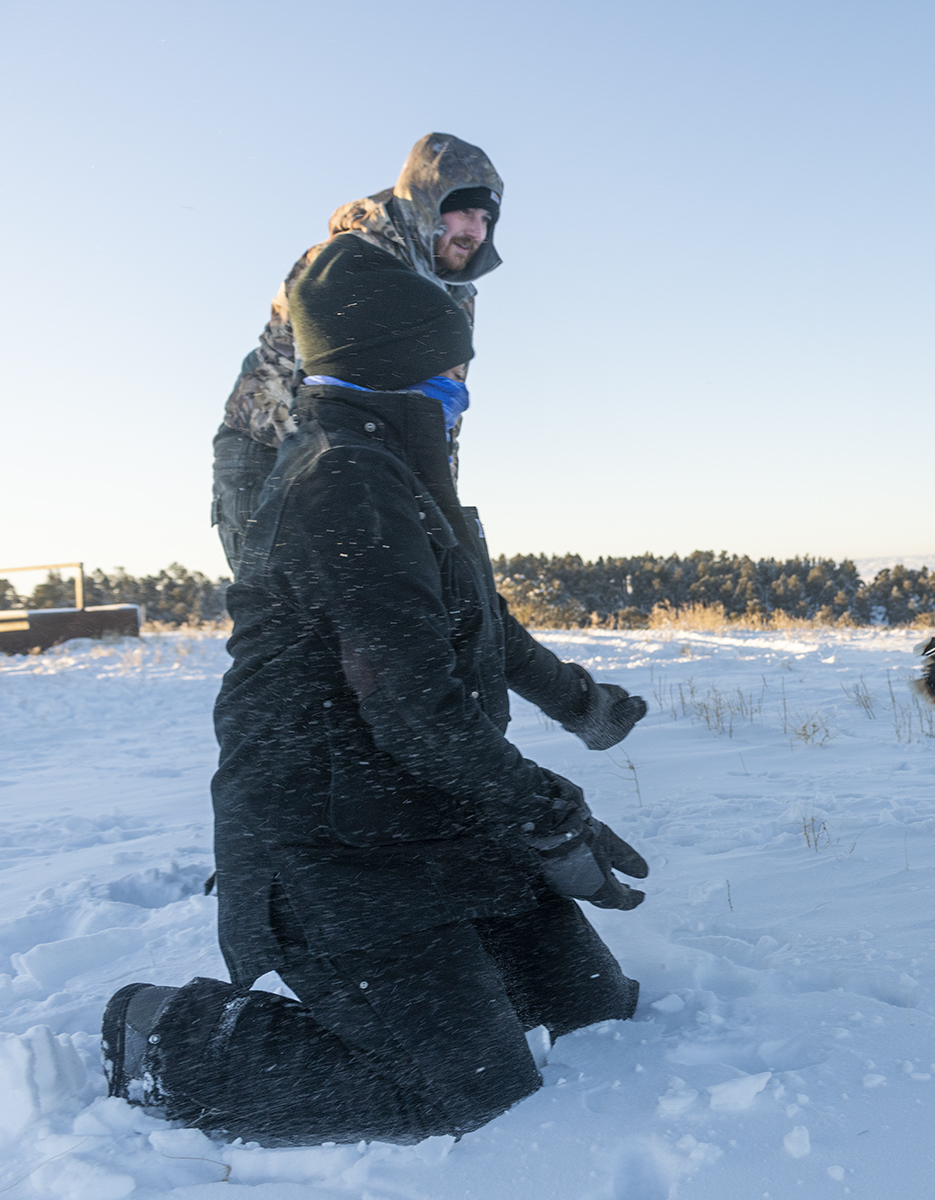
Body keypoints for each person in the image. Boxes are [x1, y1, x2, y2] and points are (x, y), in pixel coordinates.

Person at [102, 140, 653, 1145]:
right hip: (326, 837)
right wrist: (546, 811)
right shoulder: (340, 487)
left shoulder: (410, 480)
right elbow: (406, 702)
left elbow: (471, 627)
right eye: (449, 365)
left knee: (592, 1012)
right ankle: (168, 1036)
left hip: (421, 802)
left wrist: (571, 705)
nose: (464, 385)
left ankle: (455, 964)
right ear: (399, 360)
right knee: (473, 1090)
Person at [212, 132, 502, 575]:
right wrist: (340, 468)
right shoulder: (343, 260)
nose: (476, 231)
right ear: (428, 202)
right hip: (269, 448)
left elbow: (439, 413)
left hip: (363, 460)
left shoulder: (455, 297)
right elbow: (281, 374)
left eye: (486, 218)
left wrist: (440, 505)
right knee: (295, 620)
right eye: (464, 210)